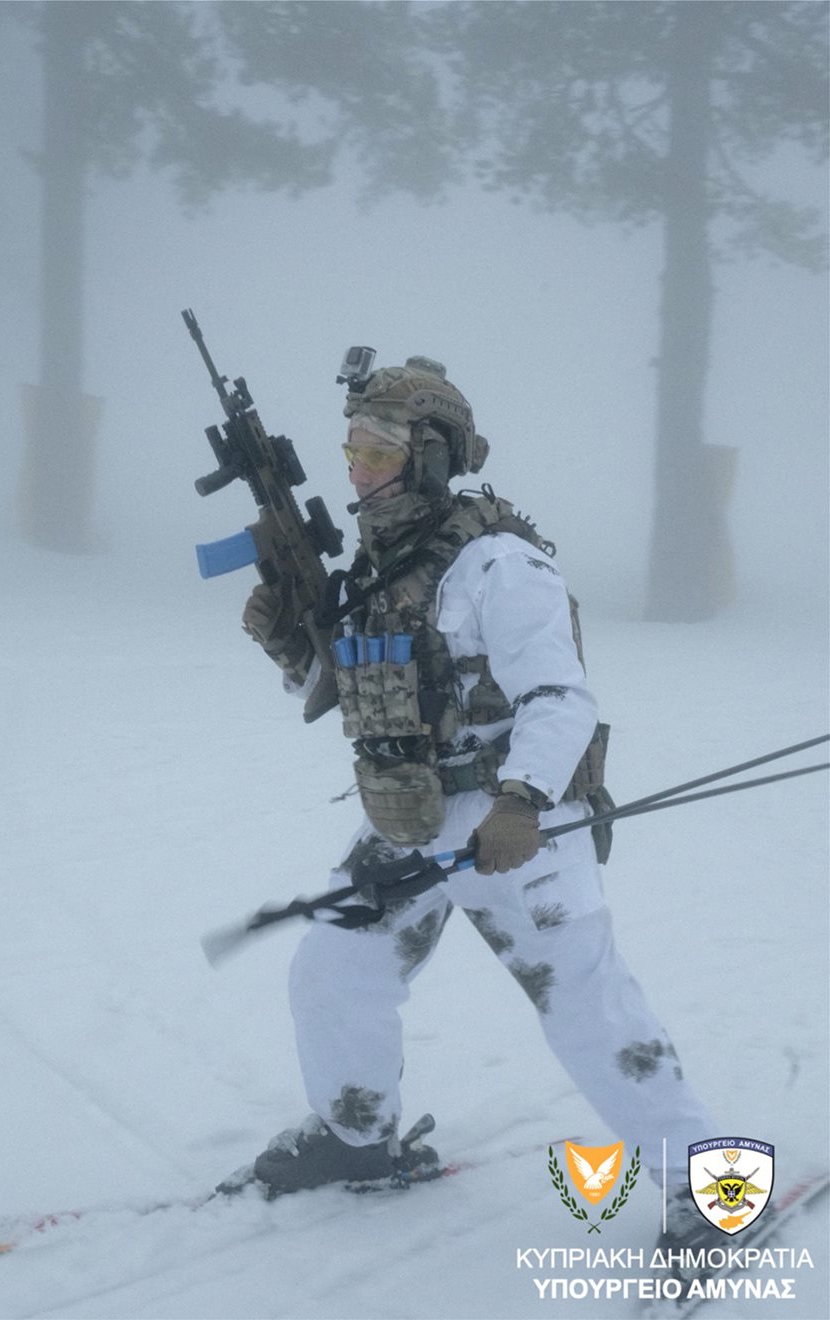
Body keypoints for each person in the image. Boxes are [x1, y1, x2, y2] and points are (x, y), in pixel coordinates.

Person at [237, 353, 717, 1244]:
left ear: (428, 456)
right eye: (352, 449)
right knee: (333, 972)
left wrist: (522, 801)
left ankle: (712, 1191)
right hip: (409, 815)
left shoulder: (498, 562)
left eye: (379, 451)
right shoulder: (380, 566)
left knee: (587, 1008)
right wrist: (287, 641)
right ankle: (356, 1136)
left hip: (515, 820)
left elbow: (561, 699)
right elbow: (347, 691)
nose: (358, 469)